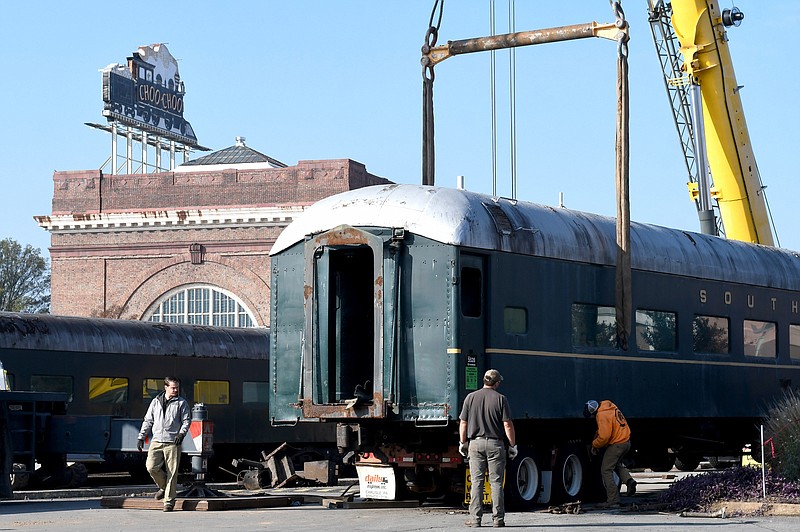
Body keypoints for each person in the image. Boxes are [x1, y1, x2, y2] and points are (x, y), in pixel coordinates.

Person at [459, 369, 517, 528]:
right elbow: (507, 424)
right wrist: (512, 445)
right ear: (496, 383)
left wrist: (463, 442)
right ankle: (498, 519)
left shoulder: (470, 397)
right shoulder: (501, 399)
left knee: (476, 482)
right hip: (495, 444)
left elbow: (463, 423)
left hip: (475, 444)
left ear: (484, 381)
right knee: (496, 482)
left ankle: (475, 519)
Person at [138, 376, 191, 511]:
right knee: (151, 467)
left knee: (172, 472)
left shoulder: (181, 403)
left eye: (177, 388)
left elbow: (186, 421)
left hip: (173, 442)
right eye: (173, 388)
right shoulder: (155, 402)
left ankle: (169, 502)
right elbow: (148, 420)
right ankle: (164, 487)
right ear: (166, 387)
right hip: (156, 440)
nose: (176, 390)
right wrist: (141, 437)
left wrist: (181, 434)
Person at [583, 399, 637, 507]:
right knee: (615, 464)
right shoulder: (609, 407)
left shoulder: (601, 415)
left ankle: (613, 500)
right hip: (626, 442)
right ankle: (629, 481)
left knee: (606, 470)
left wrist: (594, 444)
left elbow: (604, 437)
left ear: (593, 412)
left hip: (617, 444)